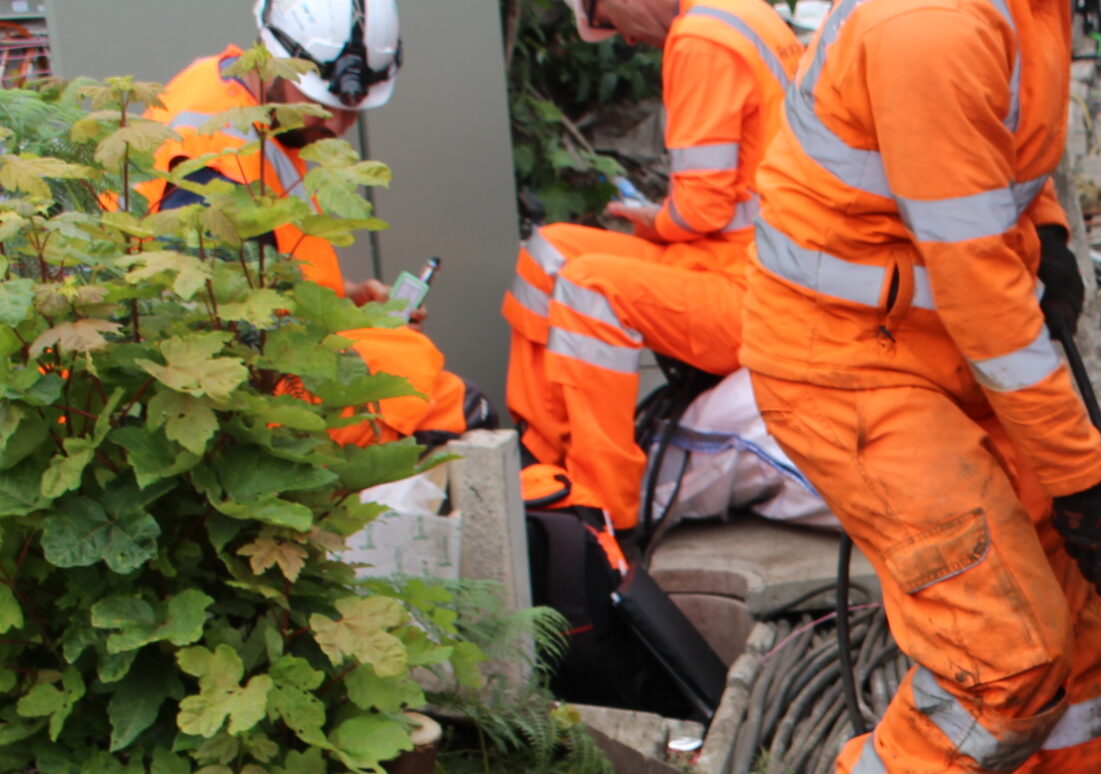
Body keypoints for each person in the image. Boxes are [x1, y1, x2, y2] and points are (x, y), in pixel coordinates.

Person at [742, 0, 1101, 774]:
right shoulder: (934, 24)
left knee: (1076, 652)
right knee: (1005, 658)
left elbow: (994, 165)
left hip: (941, 341)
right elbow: (979, 290)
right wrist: (1081, 472)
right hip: (855, 359)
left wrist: (1047, 229)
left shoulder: (1027, 9)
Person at [502, 0, 803, 530]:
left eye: (608, 22)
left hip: (762, 292)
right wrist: (663, 221)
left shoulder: (701, 38)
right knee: (549, 250)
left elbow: (701, 209)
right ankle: (541, 464)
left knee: (590, 288)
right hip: (747, 264)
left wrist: (654, 222)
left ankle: (600, 509)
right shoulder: (736, 14)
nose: (626, 40)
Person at [148, 0, 472, 444]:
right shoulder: (214, 170)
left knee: (411, 364)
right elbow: (209, 339)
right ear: (274, 59)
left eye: (353, 107)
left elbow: (259, 276)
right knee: (437, 391)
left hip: (240, 368)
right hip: (207, 405)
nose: (337, 124)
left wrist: (346, 300)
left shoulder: (230, 89)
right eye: (321, 102)